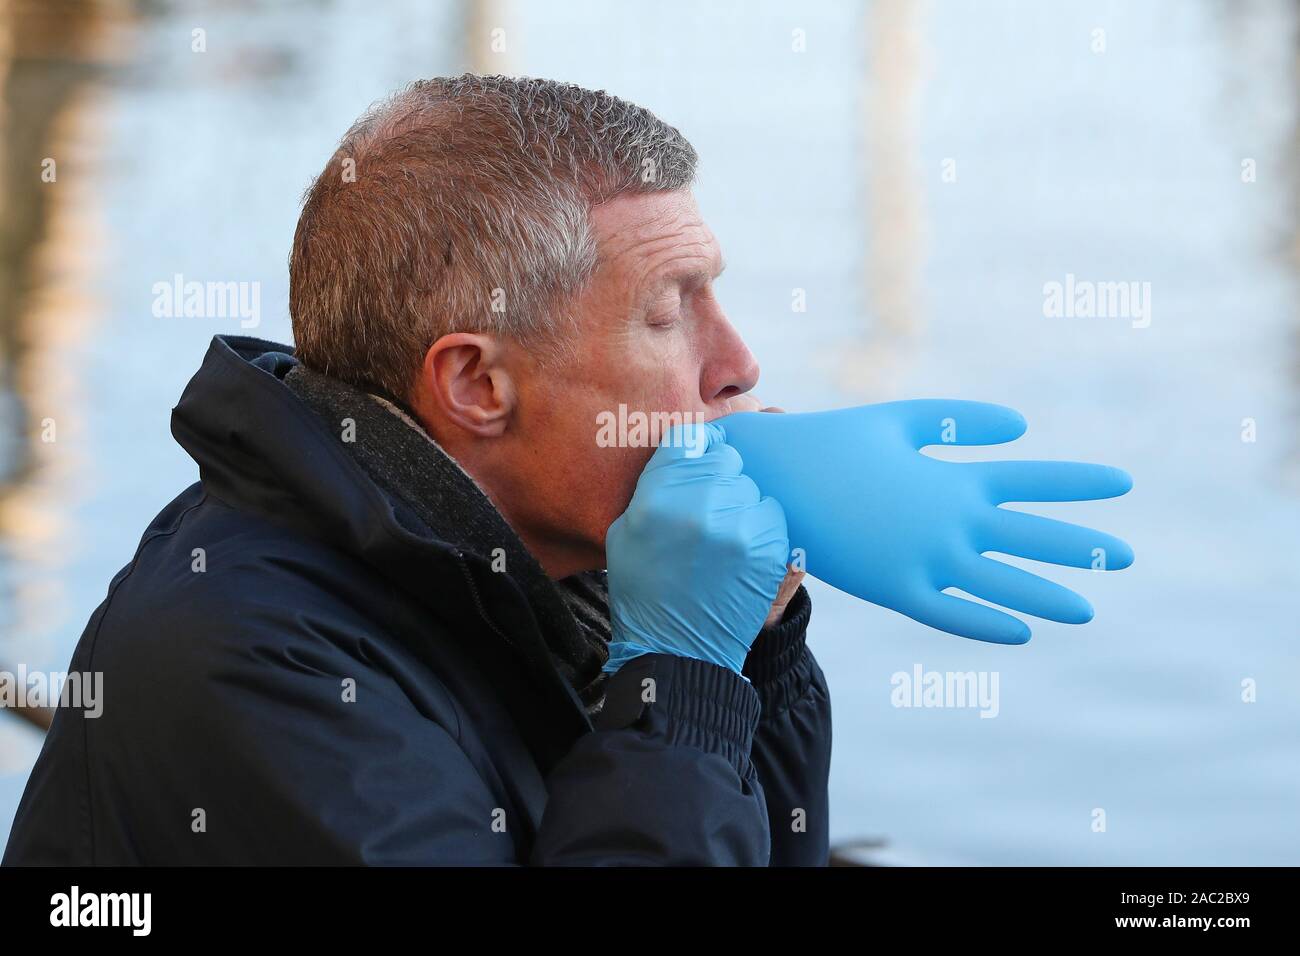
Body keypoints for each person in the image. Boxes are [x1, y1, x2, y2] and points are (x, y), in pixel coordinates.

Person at [2, 75, 831, 866]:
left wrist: (754, 649)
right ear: (476, 385)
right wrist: (684, 680)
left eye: (713, 297)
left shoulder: (584, 574)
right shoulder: (257, 657)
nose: (739, 365)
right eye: (665, 314)